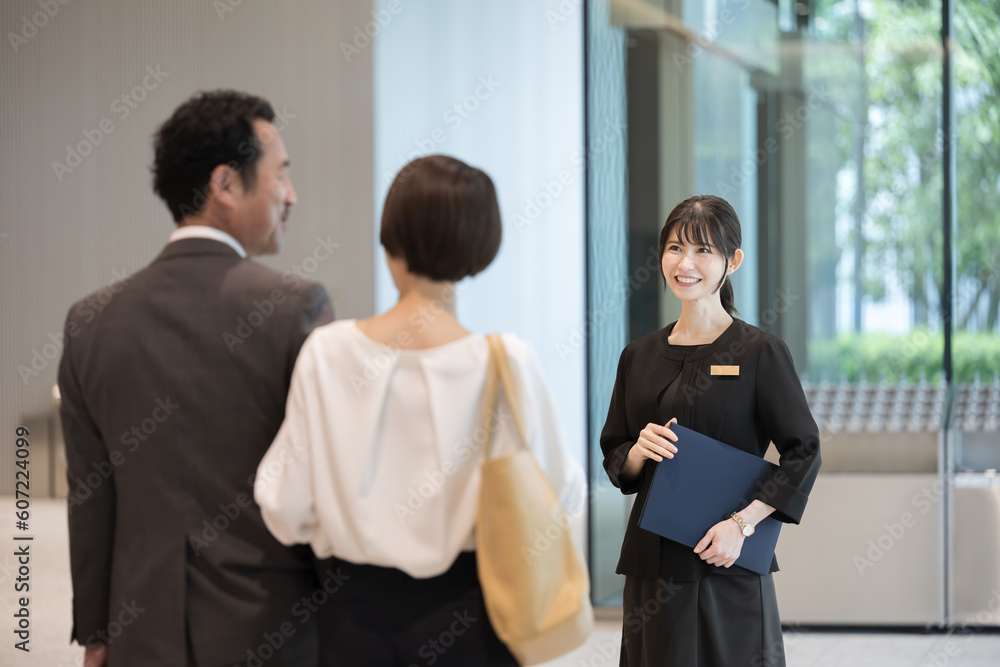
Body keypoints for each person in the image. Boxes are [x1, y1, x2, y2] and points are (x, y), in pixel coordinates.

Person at [255, 154, 585, 667]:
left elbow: (284, 505)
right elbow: (560, 493)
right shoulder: (506, 361)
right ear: (481, 248)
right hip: (477, 620)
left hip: (353, 619)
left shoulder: (328, 352)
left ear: (392, 241)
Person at [57, 90, 333, 667]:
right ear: (226, 186)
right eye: (281, 175)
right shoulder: (294, 308)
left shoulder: (90, 321)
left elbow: (91, 499)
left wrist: (97, 637)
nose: (292, 195)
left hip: (141, 641)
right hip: (275, 634)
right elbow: (323, 487)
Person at [600, 195, 822, 667]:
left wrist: (743, 526)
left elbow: (804, 451)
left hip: (727, 558)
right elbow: (615, 449)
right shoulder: (637, 356)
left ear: (732, 261)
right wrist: (638, 451)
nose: (686, 263)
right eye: (675, 248)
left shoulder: (760, 352)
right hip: (652, 562)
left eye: (703, 250)